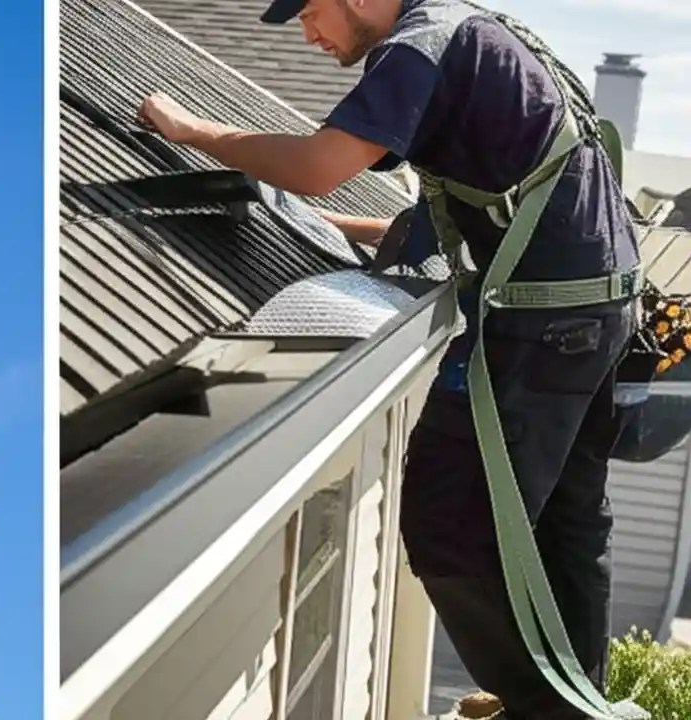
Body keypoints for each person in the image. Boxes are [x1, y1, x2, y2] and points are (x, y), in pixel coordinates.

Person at [138, 1, 641, 718]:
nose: (309, 33)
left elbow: (319, 165)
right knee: (569, 524)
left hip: (545, 324)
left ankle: (551, 712)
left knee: (447, 527)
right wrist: (314, 221)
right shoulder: (473, 32)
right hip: (599, 306)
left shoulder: (420, 43)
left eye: (311, 10)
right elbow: (465, 205)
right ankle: (580, 697)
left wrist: (193, 130)